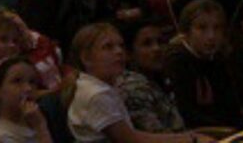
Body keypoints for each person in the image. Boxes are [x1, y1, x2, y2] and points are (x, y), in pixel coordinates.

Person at [67, 22, 207, 143]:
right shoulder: (96, 94)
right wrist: (190, 139)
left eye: (121, 45)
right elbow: (131, 140)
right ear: (86, 58)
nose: (119, 51)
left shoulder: (95, 86)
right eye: (108, 47)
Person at [164, 0, 243, 131]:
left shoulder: (221, 57)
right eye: (202, 28)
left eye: (217, 28)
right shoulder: (178, 63)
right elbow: (188, 114)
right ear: (186, 32)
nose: (211, 36)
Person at [115, 20, 185, 134]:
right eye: (147, 44)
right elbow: (156, 136)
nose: (157, 49)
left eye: (160, 42)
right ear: (129, 54)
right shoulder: (133, 88)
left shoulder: (160, 78)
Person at [0, 56, 52, 143]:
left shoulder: (36, 119)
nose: (28, 88)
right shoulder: (1, 138)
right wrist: (41, 128)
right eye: (17, 81)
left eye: (32, 82)